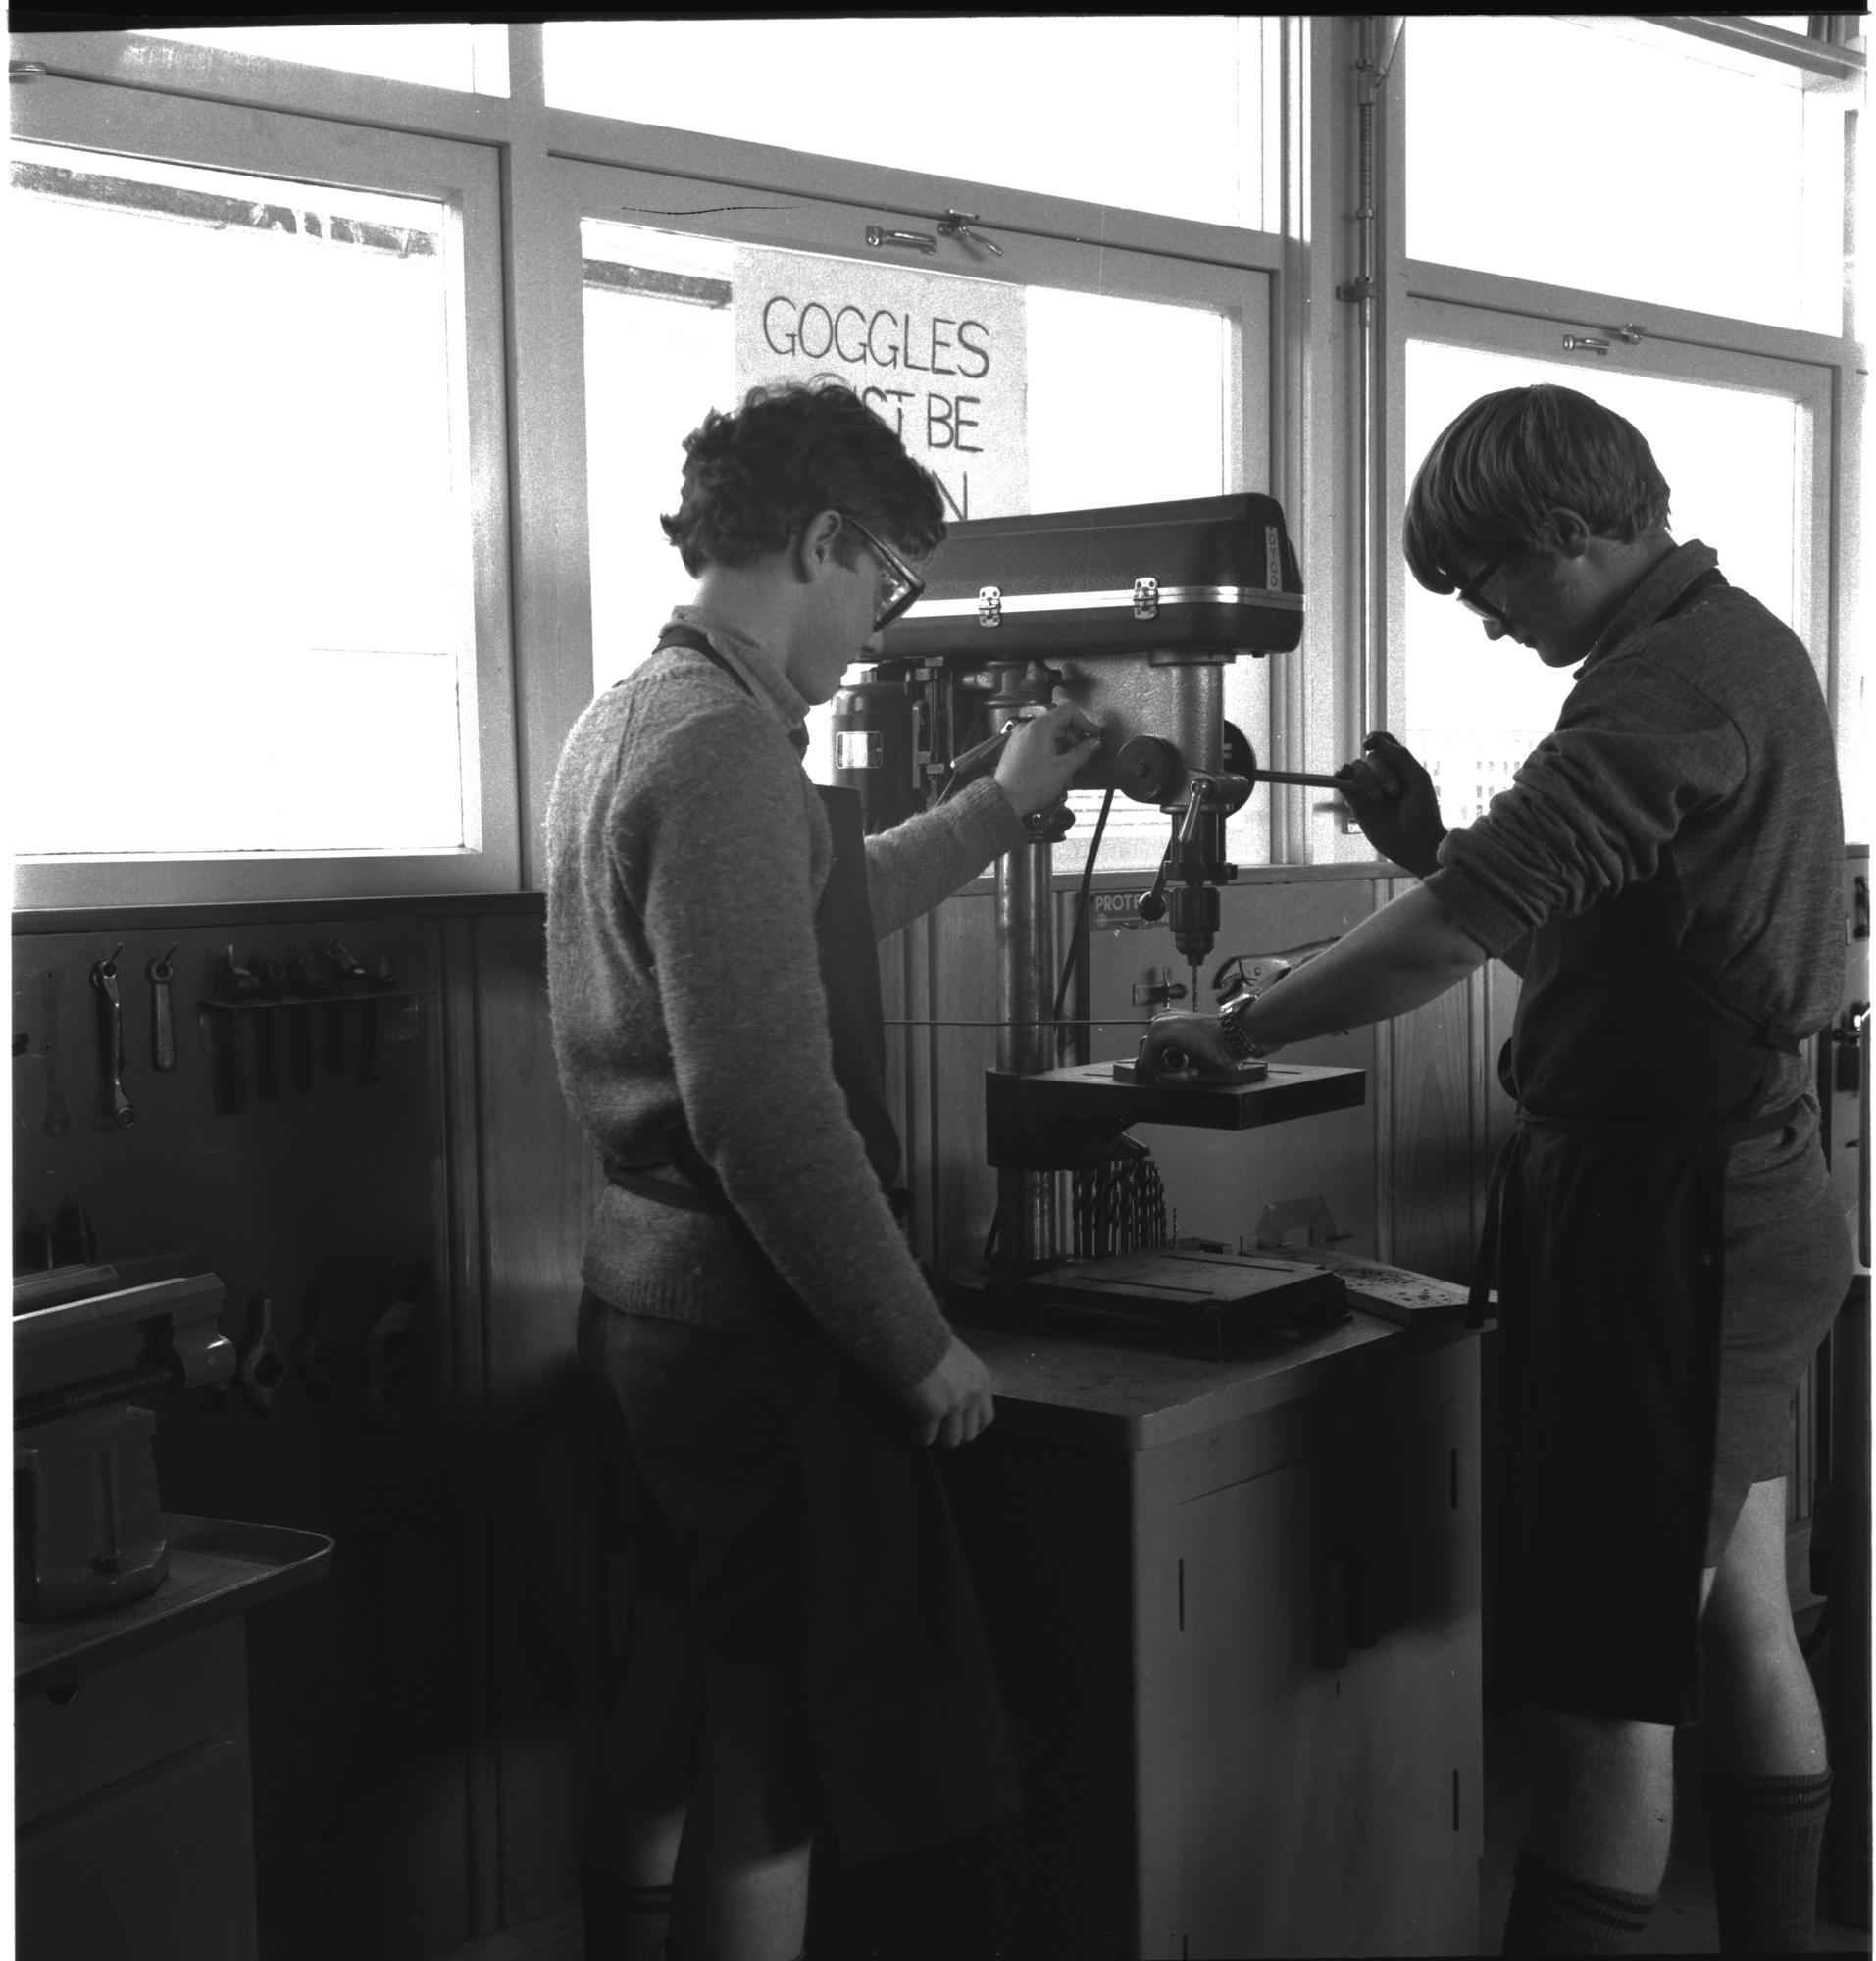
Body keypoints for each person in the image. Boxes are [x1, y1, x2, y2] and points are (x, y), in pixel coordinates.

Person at [1215, 384, 1851, 1955]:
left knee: (1598, 1680)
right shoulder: (1701, 648)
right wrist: (1433, 837)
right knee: (1735, 1611)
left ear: (1568, 535)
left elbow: (1454, 936)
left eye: (1489, 582)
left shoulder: (1669, 681)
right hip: (1715, 1196)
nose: (1488, 623)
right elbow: (1587, 911)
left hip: (1678, 1217)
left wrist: (1227, 1034)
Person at [544, 378, 1100, 1961]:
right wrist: (907, 1339)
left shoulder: (638, 716)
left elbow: (811, 909)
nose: (877, 628)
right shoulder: (717, 747)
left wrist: (992, 808)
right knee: (769, 1747)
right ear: (822, 538)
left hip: (651, 1306)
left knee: (673, 1675)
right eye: (883, 586)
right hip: (747, 1325)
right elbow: (764, 1104)